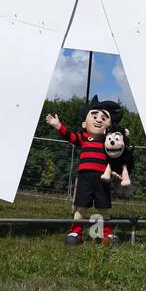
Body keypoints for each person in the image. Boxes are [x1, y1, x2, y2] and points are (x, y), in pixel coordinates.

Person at [44, 97, 123, 245]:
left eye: (104, 118)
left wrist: (123, 134)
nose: (99, 120)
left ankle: (106, 234)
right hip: (85, 178)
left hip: (102, 179)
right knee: (81, 207)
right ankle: (76, 232)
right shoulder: (83, 137)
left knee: (103, 208)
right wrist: (58, 125)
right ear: (84, 123)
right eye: (94, 116)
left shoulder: (108, 142)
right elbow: (70, 136)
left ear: (109, 125)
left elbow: (119, 150)